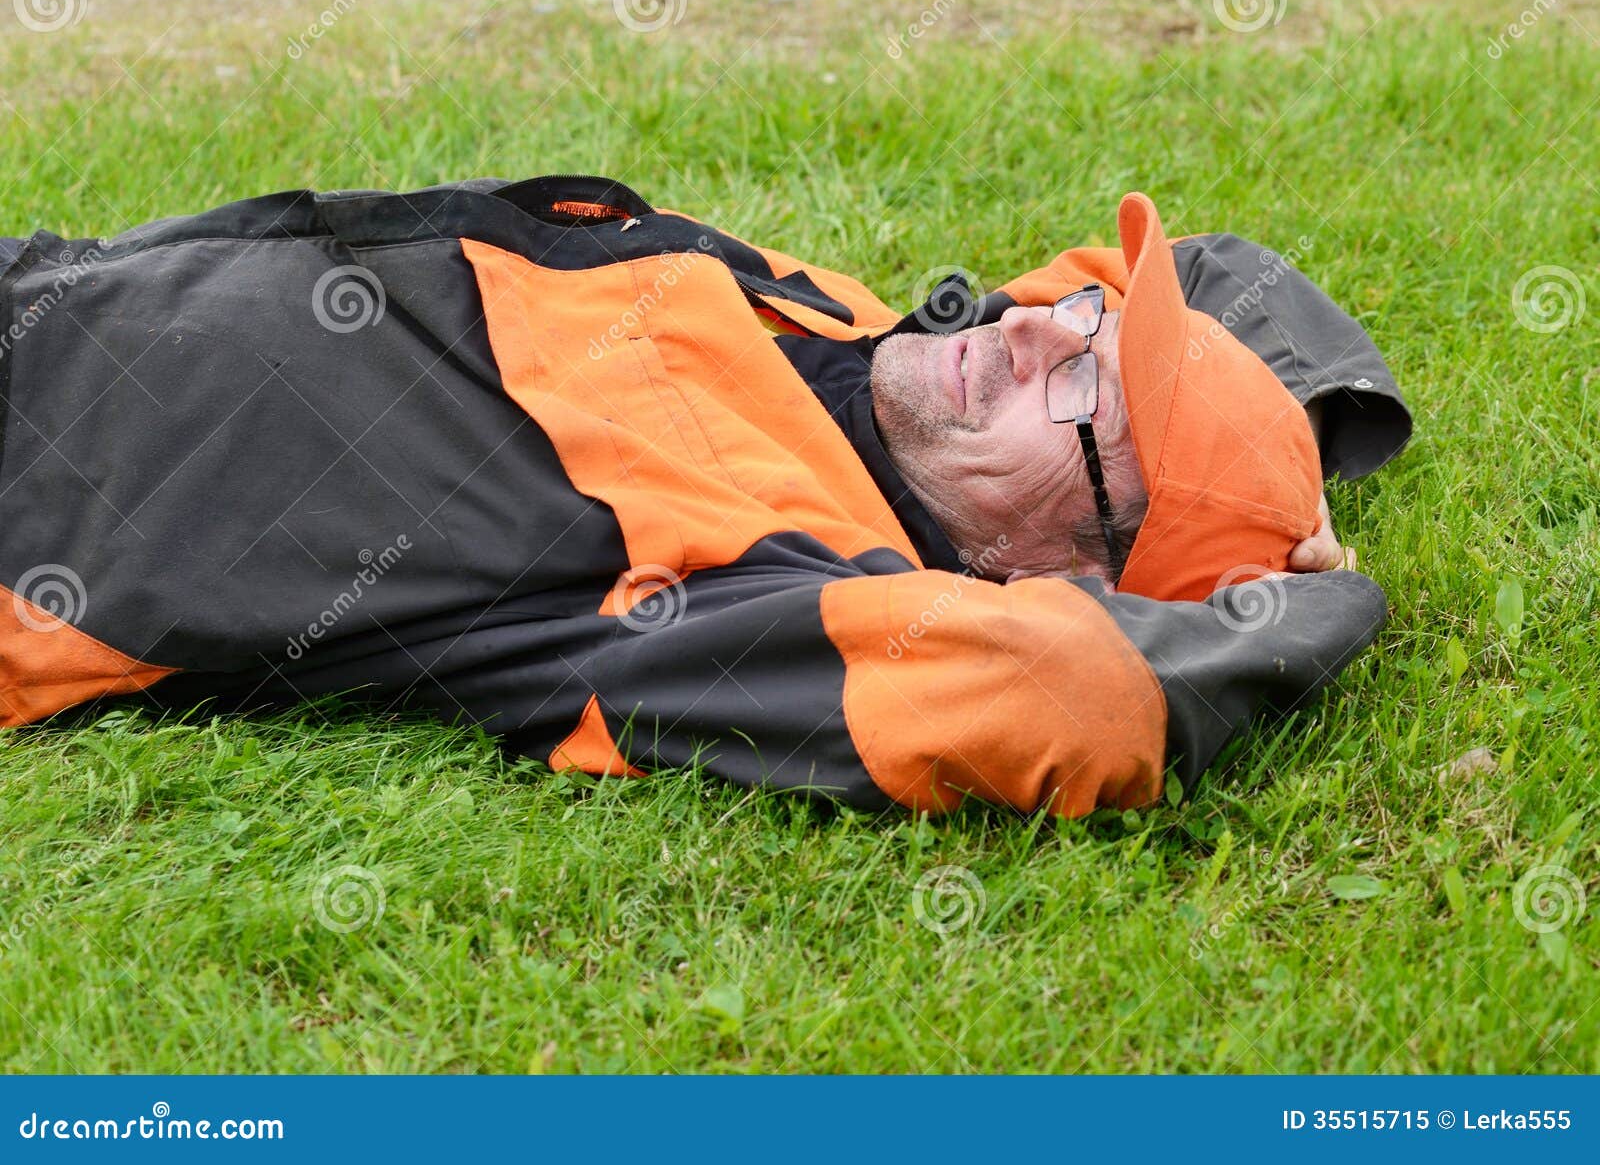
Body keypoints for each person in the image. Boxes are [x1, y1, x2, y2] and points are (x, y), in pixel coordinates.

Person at [0, 175, 1409, 817]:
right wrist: (1295, 432)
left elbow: (1085, 697)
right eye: (1091, 320)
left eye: (1089, 393)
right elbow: (1224, 270)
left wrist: (1296, 594)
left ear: (1069, 579)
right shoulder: (853, 330)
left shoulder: (780, 581)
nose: (1040, 328)